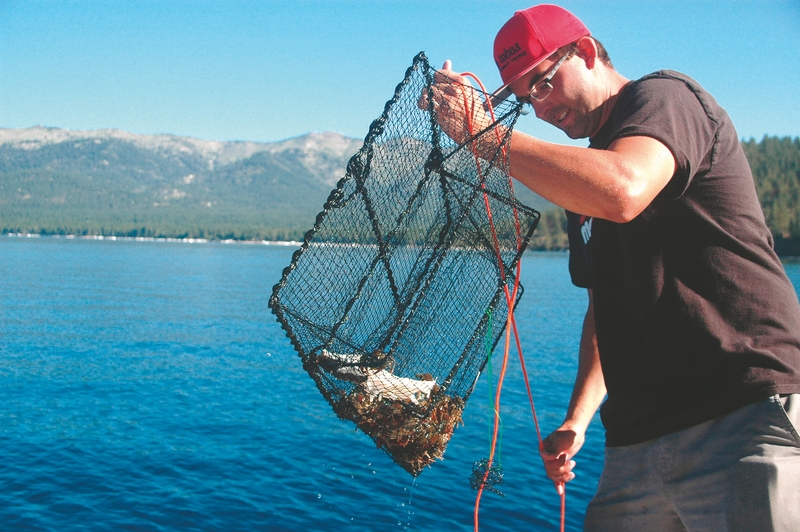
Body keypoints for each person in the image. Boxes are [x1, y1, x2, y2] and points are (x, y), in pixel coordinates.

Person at [426, 4, 800, 531]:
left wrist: (484, 138)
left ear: (584, 51)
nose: (538, 108)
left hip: (741, 415)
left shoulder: (664, 97)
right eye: (524, 97)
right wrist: (576, 421)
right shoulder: (582, 181)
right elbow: (607, 310)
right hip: (635, 441)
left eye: (543, 85)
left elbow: (624, 188)